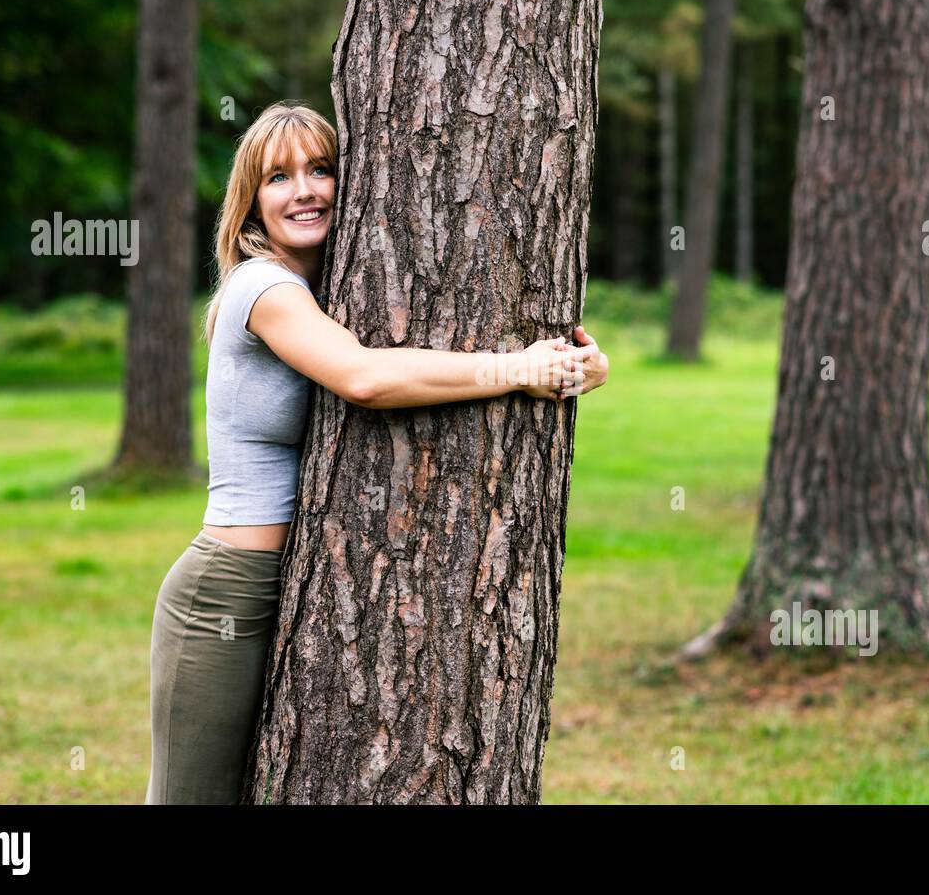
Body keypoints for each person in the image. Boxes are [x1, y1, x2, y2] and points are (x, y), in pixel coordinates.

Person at [145, 101, 609, 803]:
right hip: (225, 593)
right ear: (251, 205)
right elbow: (365, 377)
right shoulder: (263, 288)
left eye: (320, 169)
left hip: (289, 588)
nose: (303, 189)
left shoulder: (323, 293)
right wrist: (517, 369)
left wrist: (578, 368)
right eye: (278, 177)